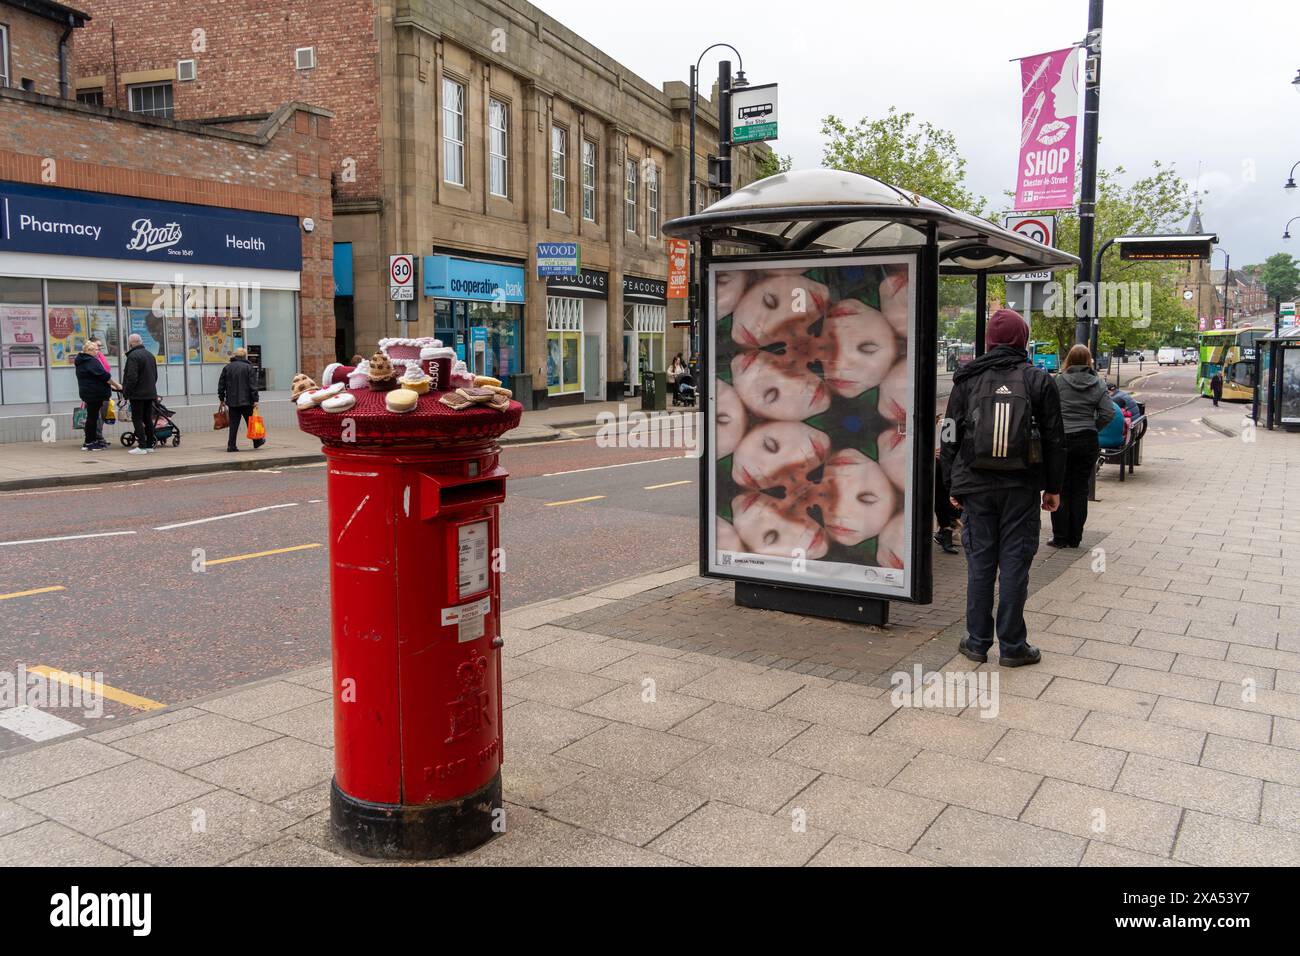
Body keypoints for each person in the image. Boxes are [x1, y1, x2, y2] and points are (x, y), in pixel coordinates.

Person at [940, 309, 1065, 668]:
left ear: (990, 341)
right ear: (1022, 339)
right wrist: (1052, 488)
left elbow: (949, 435)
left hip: (976, 488)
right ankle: (1012, 645)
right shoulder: (1039, 380)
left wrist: (953, 483)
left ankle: (977, 641)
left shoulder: (967, 380)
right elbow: (1056, 440)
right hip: (1021, 486)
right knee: (1014, 565)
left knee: (980, 564)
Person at [1051, 344, 1115, 549]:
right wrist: (1092, 426)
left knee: (1060, 487)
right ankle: (1075, 538)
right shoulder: (1098, 383)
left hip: (1063, 440)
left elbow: (1049, 410)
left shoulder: (1059, 381)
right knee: (1080, 490)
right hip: (1087, 440)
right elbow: (1108, 413)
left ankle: (1060, 537)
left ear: (1068, 359)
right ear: (1089, 361)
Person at [218, 347, 263, 452]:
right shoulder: (249, 368)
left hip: (232, 402)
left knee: (233, 424)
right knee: (251, 422)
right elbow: (253, 385)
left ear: (235, 356)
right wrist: (255, 399)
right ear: (244, 356)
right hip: (247, 402)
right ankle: (257, 441)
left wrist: (221, 398)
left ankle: (231, 445)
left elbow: (221, 384)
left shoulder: (227, 368)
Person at [121, 332, 159, 455]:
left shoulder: (133, 357)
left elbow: (131, 377)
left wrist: (126, 393)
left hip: (137, 394)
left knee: (137, 418)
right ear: (141, 342)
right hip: (150, 392)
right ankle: (149, 445)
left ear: (131, 343)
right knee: (147, 418)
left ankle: (141, 446)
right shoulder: (150, 355)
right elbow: (155, 376)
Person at [74, 340, 112, 451]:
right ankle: (90, 442)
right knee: (92, 418)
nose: (98, 351)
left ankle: (90, 441)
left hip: (88, 392)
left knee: (92, 417)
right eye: (96, 349)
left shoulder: (82, 360)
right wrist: (117, 385)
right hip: (94, 393)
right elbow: (104, 375)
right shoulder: (91, 361)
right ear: (89, 350)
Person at [933, 415, 960, 554]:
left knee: (944, 496)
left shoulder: (947, 423)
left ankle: (947, 532)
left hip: (942, 465)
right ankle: (946, 532)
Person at [86, 336, 121, 446]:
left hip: (104, 388)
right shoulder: (92, 359)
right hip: (97, 391)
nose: (100, 348)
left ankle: (98, 436)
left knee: (102, 415)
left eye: (101, 346)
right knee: (97, 416)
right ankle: (96, 438)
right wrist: (114, 385)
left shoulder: (99, 356)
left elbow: (105, 372)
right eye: (98, 345)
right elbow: (101, 374)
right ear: (91, 346)